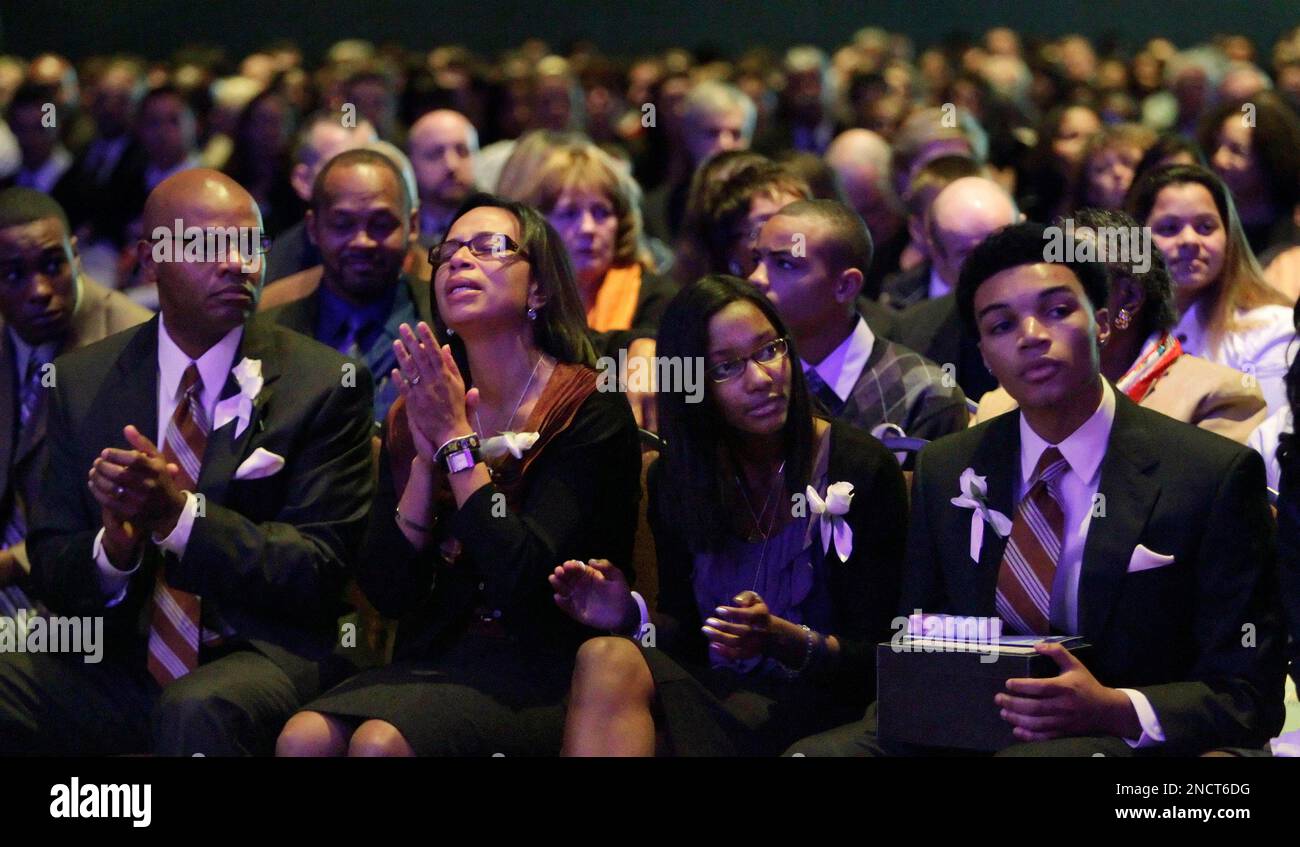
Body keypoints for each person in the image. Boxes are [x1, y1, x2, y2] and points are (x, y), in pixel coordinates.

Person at [789, 222, 1286, 757]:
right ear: (983, 354)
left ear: (1101, 323)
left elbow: (1248, 694)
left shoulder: (1208, 473)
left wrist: (1114, 706)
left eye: (1056, 311)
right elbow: (919, 637)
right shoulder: (948, 466)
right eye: (1001, 325)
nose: (1031, 335)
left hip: (1119, 737)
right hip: (966, 721)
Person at [0, 169, 376, 755]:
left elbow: (319, 570)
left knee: (196, 708)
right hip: (120, 654)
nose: (238, 263)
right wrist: (114, 551)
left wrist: (179, 519)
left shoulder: (323, 383)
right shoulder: (82, 380)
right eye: (207, 245)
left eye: (250, 243)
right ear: (151, 262)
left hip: (262, 650)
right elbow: (50, 559)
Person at [275, 193, 641, 757]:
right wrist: (425, 461)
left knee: (379, 745)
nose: (458, 261)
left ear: (539, 287)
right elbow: (388, 594)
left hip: (542, 667)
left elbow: (526, 582)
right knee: (302, 739)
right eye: (447, 252)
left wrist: (455, 446)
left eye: (488, 247)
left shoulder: (589, 407)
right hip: (435, 659)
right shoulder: (418, 406)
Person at [554, 274, 907, 755]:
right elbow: (688, 631)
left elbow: (887, 656)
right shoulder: (678, 477)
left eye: (769, 350)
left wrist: (783, 639)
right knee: (604, 654)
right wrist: (629, 613)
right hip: (723, 695)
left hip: (826, 708)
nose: (762, 379)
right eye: (726, 368)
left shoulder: (860, 468)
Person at [975, 208, 1267, 443]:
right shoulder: (998, 407)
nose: (1034, 331)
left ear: (1128, 298)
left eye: (1074, 285)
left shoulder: (1215, 397)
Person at [0, 188, 150, 612]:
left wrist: (12, 564)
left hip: (81, 594)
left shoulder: (131, 345)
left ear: (75, 255)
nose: (39, 290)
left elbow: (125, 512)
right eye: (13, 275)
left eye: (53, 265)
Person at [750, 199, 968, 442]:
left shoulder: (925, 395)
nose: (756, 278)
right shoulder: (751, 380)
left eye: (784, 264)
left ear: (845, 285)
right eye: (757, 259)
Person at [259, 148, 433, 424]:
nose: (362, 242)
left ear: (412, 225)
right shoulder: (268, 334)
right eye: (342, 224)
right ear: (313, 228)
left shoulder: (447, 323)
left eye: (381, 224)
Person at [1127, 164, 1296, 414]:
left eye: (1205, 227)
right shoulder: (1126, 332)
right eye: (1169, 228)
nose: (1189, 241)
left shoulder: (1273, 330)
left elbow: (1272, 443)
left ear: (1229, 237)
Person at [895, 175, 1022, 400]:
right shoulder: (912, 337)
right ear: (936, 252)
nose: (991, 265)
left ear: (1023, 230)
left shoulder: (1065, 312)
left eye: (1002, 245)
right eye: (969, 256)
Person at [263, 111, 377, 282]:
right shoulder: (276, 274)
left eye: (375, 162)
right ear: (303, 181)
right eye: (343, 166)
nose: (363, 177)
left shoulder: (410, 253)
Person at [406, 109, 478, 249]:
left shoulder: (499, 223)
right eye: (435, 154)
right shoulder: (400, 228)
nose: (452, 165)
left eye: (462, 151)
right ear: (412, 164)